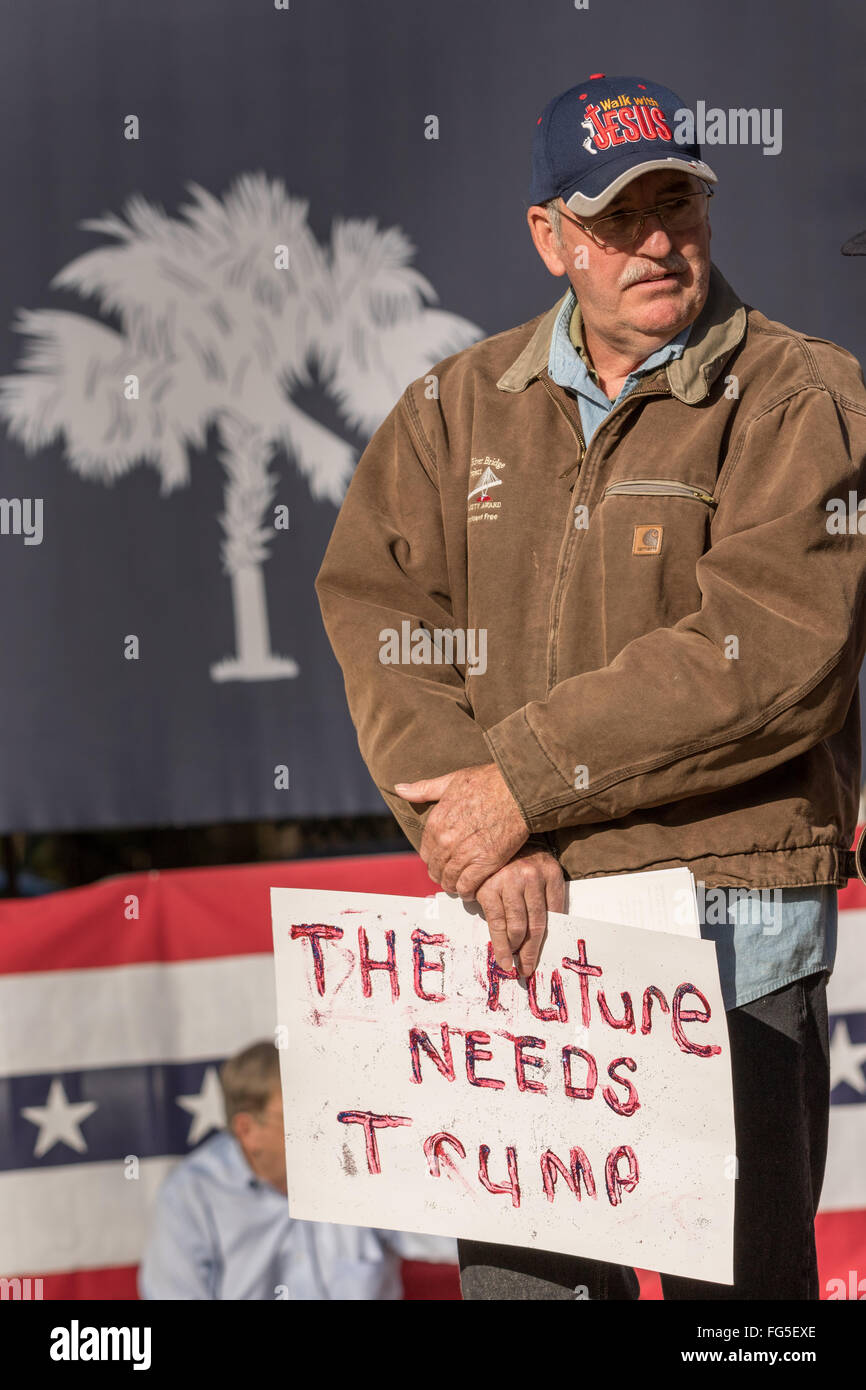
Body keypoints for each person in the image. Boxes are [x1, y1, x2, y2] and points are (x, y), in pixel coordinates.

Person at [314, 73, 866, 1299]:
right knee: (526, 1293)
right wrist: (479, 836)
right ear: (549, 236)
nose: (656, 241)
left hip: (732, 930)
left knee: (741, 1319)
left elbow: (772, 653)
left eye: (677, 205)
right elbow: (381, 614)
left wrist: (517, 782)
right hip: (521, 925)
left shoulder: (801, 394)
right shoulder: (450, 409)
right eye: (618, 217)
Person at [138, 1040, 455, 1299]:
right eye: (297, 1114)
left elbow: (452, 1235)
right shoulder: (190, 1196)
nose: (322, 1126)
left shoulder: (359, 1163)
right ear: (247, 1130)